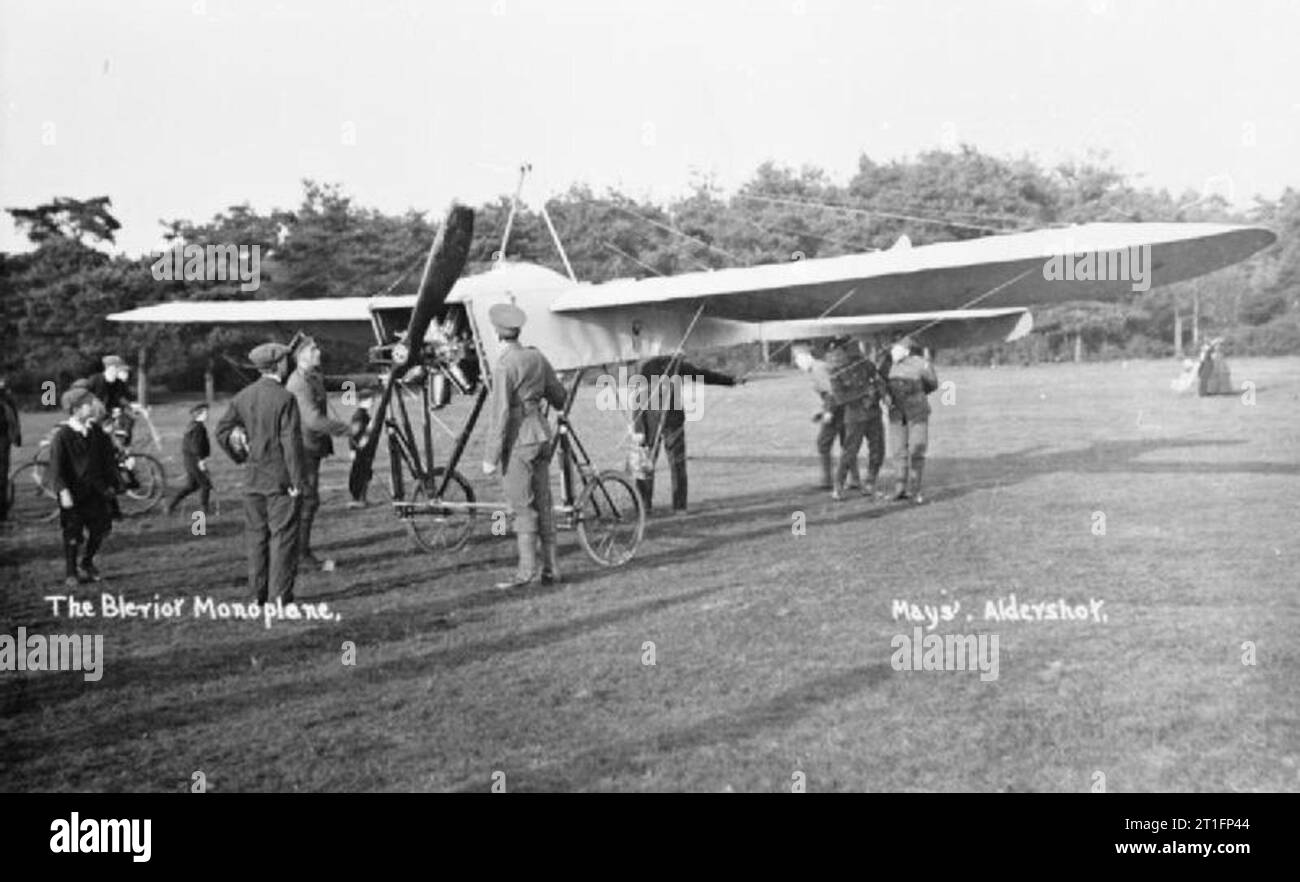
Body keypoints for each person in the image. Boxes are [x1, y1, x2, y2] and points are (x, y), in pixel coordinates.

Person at [481, 303, 568, 589]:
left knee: (522, 508)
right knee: (544, 504)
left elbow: (501, 414)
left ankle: (525, 573)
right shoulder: (536, 356)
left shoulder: (504, 365)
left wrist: (491, 457)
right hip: (541, 436)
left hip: (519, 440)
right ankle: (552, 570)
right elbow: (560, 397)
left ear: (497, 333)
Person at [216, 342, 306, 604]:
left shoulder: (242, 396)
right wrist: (297, 481)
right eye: (286, 360)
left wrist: (239, 453)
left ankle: (257, 596)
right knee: (283, 538)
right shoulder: (285, 398)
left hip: (252, 478)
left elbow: (222, 431)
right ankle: (280, 597)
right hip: (281, 480)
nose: (289, 364)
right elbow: (291, 443)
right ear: (279, 364)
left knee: (256, 538)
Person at [632, 353, 738, 515]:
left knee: (676, 464)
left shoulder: (674, 363)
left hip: (670, 421)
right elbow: (639, 398)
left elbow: (701, 375)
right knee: (646, 463)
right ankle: (646, 506)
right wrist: (638, 427)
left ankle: (677, 506)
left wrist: (730, 381)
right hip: (650, 422)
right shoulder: (647, 366)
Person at [286, 337, 348, 569]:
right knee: (307, 500)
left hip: (310, 448)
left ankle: (295, 552)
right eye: (313, 349)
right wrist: (349, 430)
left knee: (306, 501)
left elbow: (340, 382)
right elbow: (313, 420)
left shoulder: (313, 376)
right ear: (301, 355)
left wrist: (377, 379)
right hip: (303, 449)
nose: (318, 352)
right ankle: (300, 555)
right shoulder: (299, 383)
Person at [49, 386, 120, 586]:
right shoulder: (63, 435)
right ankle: (71, 571)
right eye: (88, 404)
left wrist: (112, 483)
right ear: (76, 409)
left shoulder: (95, 431)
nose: (92, 406)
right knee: (73, 533)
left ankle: (87, 562)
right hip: (74, 493)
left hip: (97, 491)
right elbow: (56, 467)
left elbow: (107, 458)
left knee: (100, 529)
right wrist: (63, 491)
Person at [821, 338, 888, 500]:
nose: (836, 358)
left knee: (878, 451)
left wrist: (882, 394)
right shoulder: (835, 374)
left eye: (838, 353)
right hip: (855, 417)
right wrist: (865, 392)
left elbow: (878, 380)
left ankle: (870, 483)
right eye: (832, 355)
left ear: (845, 352)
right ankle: (838, 486)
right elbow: (841, 398)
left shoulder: (862, 363)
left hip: (874, 414)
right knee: (849, 452)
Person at [793, 342, 861, 492]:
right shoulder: (818, 368)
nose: (797, 361)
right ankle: (854, 479)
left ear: (806, 356)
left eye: (798, 357)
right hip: (843, 406)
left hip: (838, 408)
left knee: (823, 443)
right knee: (846, 443)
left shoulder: (818, 369)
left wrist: (829, 411)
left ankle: (827, 481)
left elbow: (832, 391)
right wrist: (822, 411)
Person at [884, 336, 939, 504]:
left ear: (906, 350)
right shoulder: (887, 364)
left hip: (917, 413)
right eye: (893, 347)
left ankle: (915, 491)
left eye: (897, 347)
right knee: (898, 451)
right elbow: (881, 383)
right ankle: (899, 489)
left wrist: (916, 396)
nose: (893, 350)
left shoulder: (921, 364)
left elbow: (932, 384)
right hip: (896, 414)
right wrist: (885, 395)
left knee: (917, 450)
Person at [86, 354, 143, 451]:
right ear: (111, 368)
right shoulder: (95, 380)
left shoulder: (119, 383)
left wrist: (132, 406)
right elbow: (83, 396)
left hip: (110, 416)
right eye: (118, 368)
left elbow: (123, 398)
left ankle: (123, 448)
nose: (120, 371)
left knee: (127, 421)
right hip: (94, 416)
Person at [166, 402, 214, 515]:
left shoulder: (193, 426)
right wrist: (201, 460)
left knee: (192, 486)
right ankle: (204, 510)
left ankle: (170, 505)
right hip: (194, 460)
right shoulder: (198, 428)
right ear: (199, 414)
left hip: (190, 460)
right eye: (205, 412)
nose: (207, 414)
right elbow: (196, 446)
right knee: (205, 485)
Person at [346, 389, 375, 509]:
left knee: (366, 472)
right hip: (359, 449)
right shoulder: (360, 416)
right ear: (365, 400)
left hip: (364, 449)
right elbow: (354, 434)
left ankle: (362, 498)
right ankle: (357, 499)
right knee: (359, 473)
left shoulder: (365, 415)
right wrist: (353, 449)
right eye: (371, 399)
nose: (373, 401)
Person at [0, 376, 21, 523]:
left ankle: (2, 511)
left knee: (2, 477)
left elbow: (13, 420)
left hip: (3, 441)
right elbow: (13, 420)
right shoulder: (7, 400)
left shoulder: (6, 401)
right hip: (3, 441)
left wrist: (16, 437)